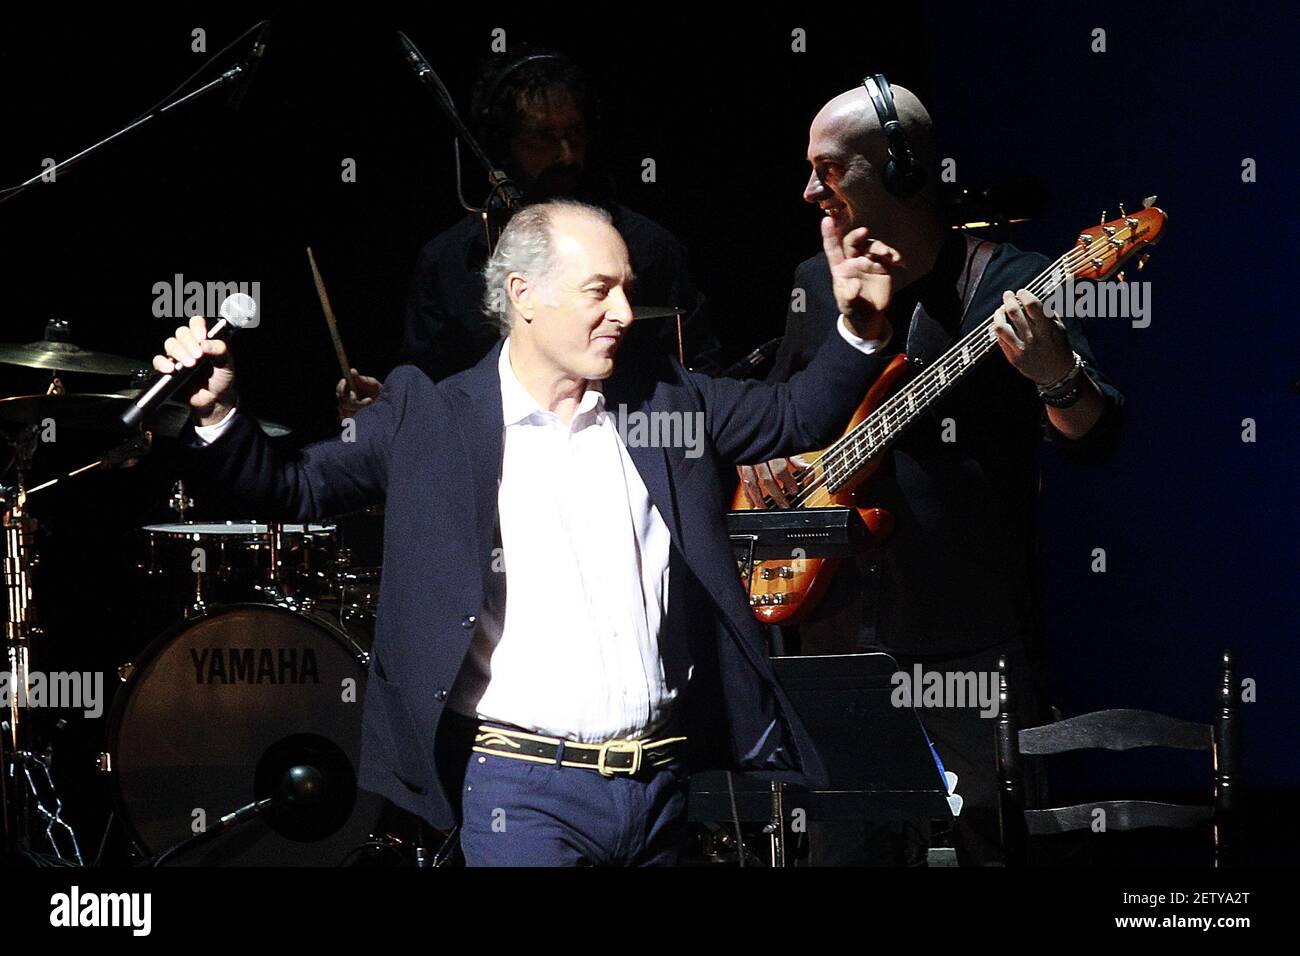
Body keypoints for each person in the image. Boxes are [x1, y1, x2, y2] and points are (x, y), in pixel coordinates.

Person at [159, 199, 905, 866]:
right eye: (598, 291)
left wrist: (860, 327)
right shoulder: (435, 416)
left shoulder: (661, 400)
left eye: (626, 290)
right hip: (521, 790)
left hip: (660, 784)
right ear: (524, 297)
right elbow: (295, 484)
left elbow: (795, 417)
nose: (621, 312)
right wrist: (218, 418)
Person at [739, 78, 1123, 866]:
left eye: (829, 169)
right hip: (840, 634)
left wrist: (1055, 375)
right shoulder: (817, 283)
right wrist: (769, 459)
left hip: (968, 641)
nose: (811, 189)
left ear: (903, 172)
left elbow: (1096, 437)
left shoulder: (1008, 280)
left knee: (992, 847)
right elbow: (780, 417)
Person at [337, 46, 715, 418]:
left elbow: (704, 371)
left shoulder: (649, 247)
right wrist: (385, 409)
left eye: (575, 133)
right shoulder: (449, 260)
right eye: (543, 137)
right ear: (502, 147)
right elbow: (427, 386)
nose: (566, 154)